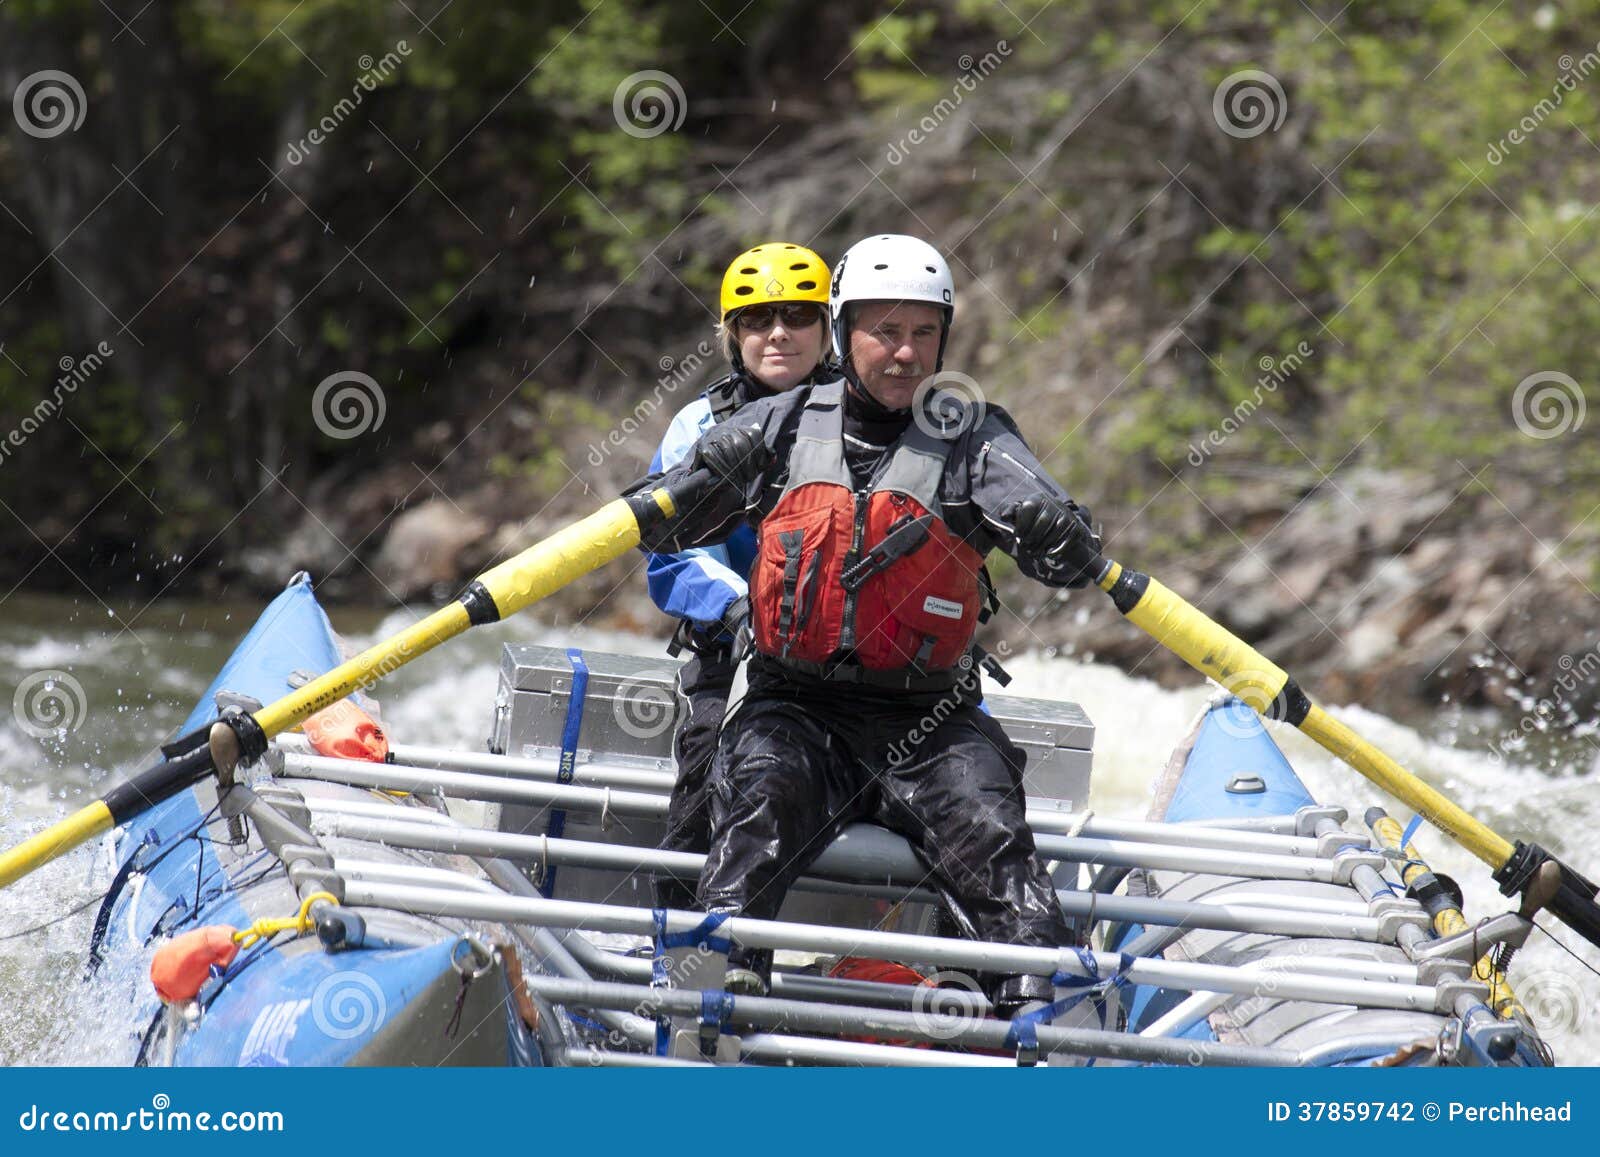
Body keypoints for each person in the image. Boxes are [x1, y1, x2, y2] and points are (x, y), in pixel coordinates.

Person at [630, 233, 1101, 1018]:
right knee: (753, 802)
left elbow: (1061, 547)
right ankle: (709, 990)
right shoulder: (774, 426)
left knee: (990, 825)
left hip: (926, 716)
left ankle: (1032, 1010)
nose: (905, 352)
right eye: (886, 331)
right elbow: (667, 531)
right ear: (849, 334)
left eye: (923, 333)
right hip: (794, 704)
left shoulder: (979, 438)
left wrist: (1060, 533)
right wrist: (667, 504)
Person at [646, 242, 835, 910]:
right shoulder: (698, 426)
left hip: (853, 666)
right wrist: (743, 610)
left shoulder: (870, 421)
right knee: (707, 772)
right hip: (734, 659)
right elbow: (669, 559)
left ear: (826, 326)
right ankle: (681, 957)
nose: (778, 332)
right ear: (732, 335)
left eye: (796, 315)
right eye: (758, 319)